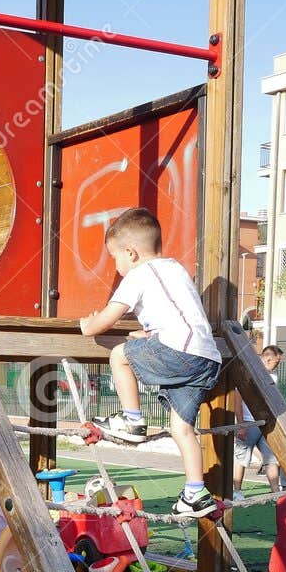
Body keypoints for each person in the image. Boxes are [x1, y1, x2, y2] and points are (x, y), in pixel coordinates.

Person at [81, 207, 224, 519]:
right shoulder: (175, 270)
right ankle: (195, 492)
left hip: (179, 352)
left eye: (115, 258)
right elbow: (177, 312)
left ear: (131, 253)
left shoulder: (139, 274)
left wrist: (87, 325)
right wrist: (148, 334)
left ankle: (132, 419)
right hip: (208, 359)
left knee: (119, 355)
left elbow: (107, 318)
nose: (116, 266)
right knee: (182, 427)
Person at [234, 344, 284, 501]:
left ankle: (275, 492)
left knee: (271, 458)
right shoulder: (249, 374)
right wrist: (241, 423)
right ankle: (237, 491)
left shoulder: (272, 377)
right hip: (249, 422)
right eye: (277, 361)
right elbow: (238, 398)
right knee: (241, 458)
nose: (278, 365)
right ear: (268, 359)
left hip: (265, 422)